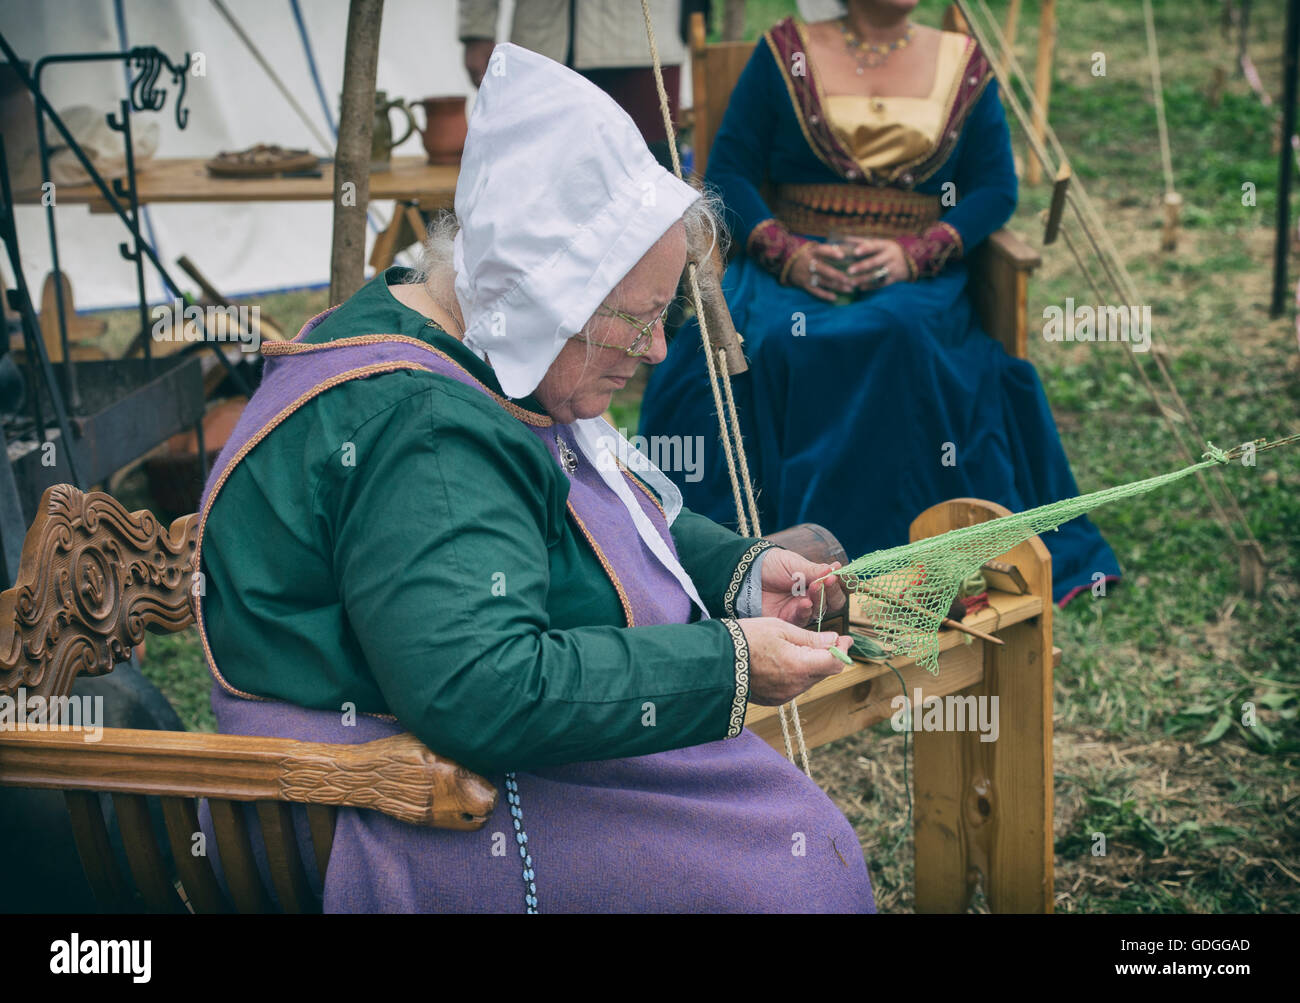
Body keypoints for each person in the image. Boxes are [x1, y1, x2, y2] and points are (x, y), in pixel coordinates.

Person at [195, 42, 873, 913]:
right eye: (633, 323)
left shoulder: (475, 329)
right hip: (371, 794)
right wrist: (730, 661)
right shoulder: (425, 429)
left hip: (444, 746)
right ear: (547, 290)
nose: (657, 350)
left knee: (793, 847)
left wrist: (739, 577)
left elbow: (585, 513)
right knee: (785, 881)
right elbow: (482, 687)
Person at [637, 0, 1121, 605]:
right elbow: (731, 169)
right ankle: (771, 562)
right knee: (782, 341)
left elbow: (995, 186)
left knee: (897, 334)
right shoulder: (785, 50)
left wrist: (915, 254)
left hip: (914, 273)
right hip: (790, 262)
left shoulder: (964, 61)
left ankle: (895, 559)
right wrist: (788, 252)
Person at [458, 0, 697, 171]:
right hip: (545, 39)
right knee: (537, 183)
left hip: (641, 42)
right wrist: (477, 28)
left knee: (654, 185)